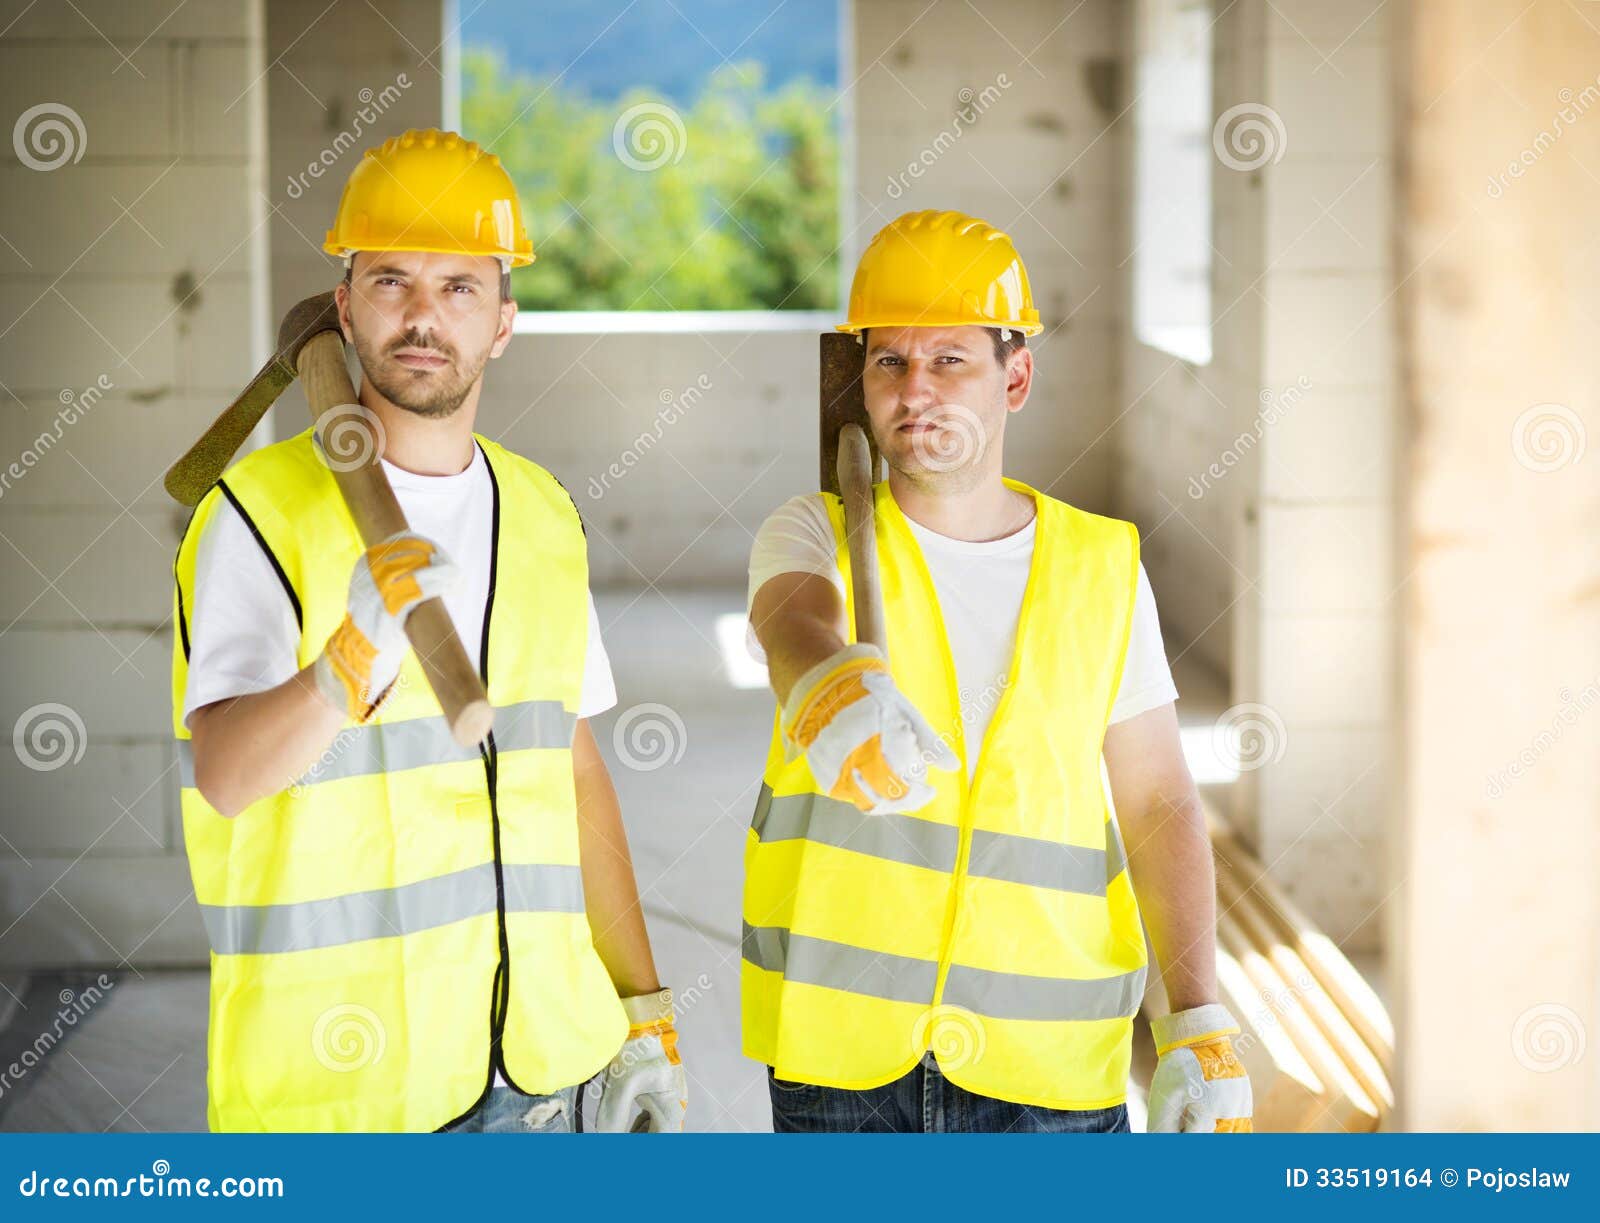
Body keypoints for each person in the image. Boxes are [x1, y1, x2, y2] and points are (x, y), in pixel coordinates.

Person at [171, 129, 685, 1133]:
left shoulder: (540, 512)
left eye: (458, 287)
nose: (421, 315)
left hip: (548, 1070)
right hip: (353, 1096)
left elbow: (572, 768)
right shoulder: (257, 512)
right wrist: (346, 662)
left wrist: (642, 1012)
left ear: (503, 320)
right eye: (391, 280)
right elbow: (227, 775)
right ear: (344, 308)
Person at [741, 209, 1251, 1133]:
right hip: (844, 1066)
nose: (915, 390)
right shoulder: (815, 530)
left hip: (1048, 1070)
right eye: (890, 360)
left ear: (1014, 376)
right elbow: (791, 621)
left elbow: (1158, 798)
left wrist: (1196, 1018)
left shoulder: (1099, 564)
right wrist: (828, 686)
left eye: (949, 360)